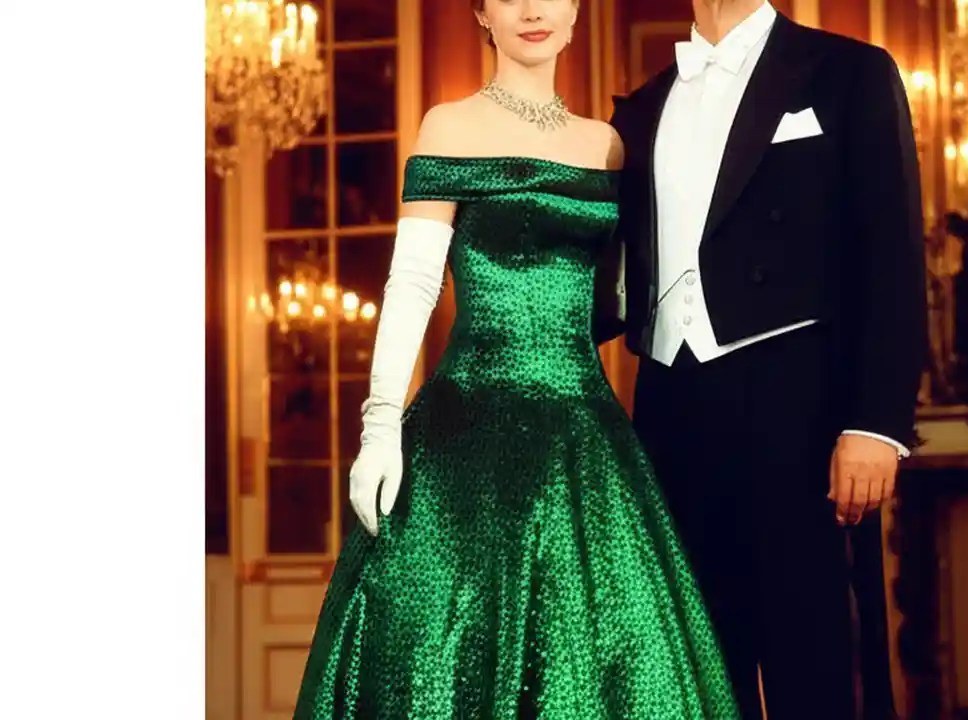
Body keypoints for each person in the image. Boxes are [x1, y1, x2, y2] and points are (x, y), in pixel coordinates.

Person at [292, 1, 739, 717]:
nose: (532, 9)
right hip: (464, 433)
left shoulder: (608, 146)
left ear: (575, 14)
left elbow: (625, 293)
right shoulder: (449, 126)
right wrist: (380, 427)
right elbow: (411, 285)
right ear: (482, 14)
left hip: (584, 439)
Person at [603, 1, 928, 717]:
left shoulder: (850, 74)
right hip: (668, 410)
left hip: (797, 412)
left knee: (813, 669)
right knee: (696, 679)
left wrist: (876, 422)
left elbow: (892, 254)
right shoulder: (643, 109)